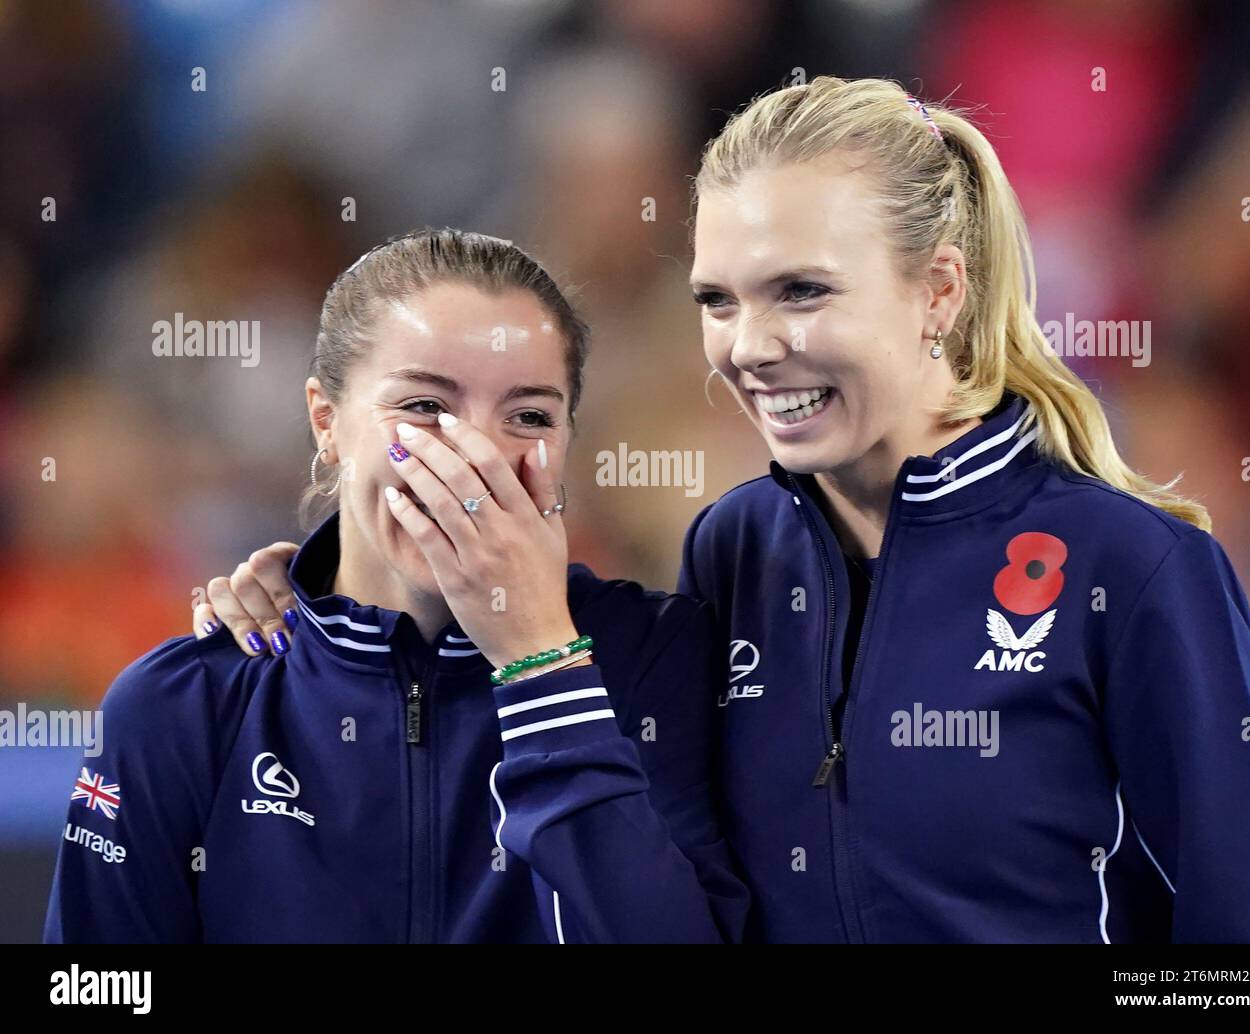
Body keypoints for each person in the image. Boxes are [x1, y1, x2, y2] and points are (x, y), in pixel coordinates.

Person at [191, 78, 1250, 943]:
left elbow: (1248, 936)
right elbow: (554, 661)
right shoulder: (736, 546)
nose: (750, 347)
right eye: (717, 299)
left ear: (939, 292)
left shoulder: (1130, 563)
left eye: (802, 291)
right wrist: (328, 591)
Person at [44, 228, 748, 944]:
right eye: (422, 406)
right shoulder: (186, 702)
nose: (474, 458)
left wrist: (540, 663)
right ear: (327, 422)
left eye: (529, 416)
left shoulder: (661, 660)